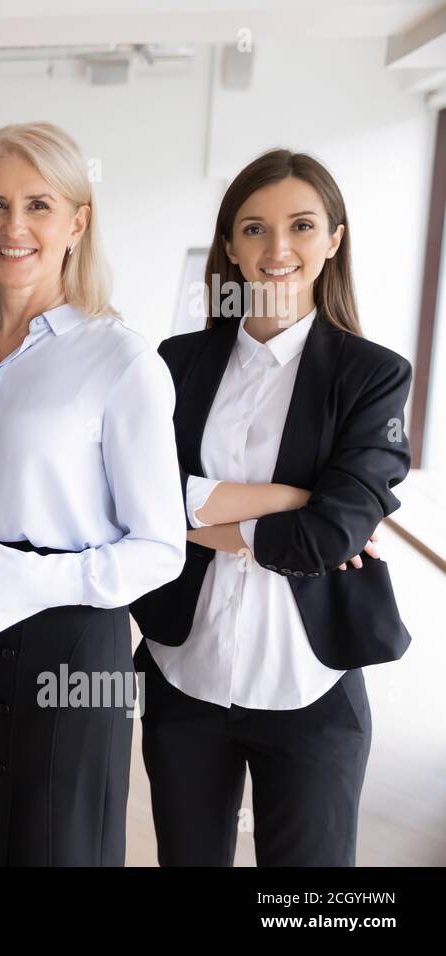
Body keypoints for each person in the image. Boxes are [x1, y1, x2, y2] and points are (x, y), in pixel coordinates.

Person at [0, 121, 185, 866]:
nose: (13, 226)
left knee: (54, 852)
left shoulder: (122, 361)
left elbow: (160, 551)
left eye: (38, 205)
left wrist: (5, 573)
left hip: (70, 652)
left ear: (77, 222)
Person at [130, 149, 413, 866]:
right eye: (254, 229)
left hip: (310, 687)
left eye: (302, 226)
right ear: (230, 245)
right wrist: (292, 500)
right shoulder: (176, 363)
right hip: (184, 677)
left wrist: (188, 515)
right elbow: (133, 504)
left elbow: (330, 535)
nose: (277, 248)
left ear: (334, 240)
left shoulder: (373, 375)